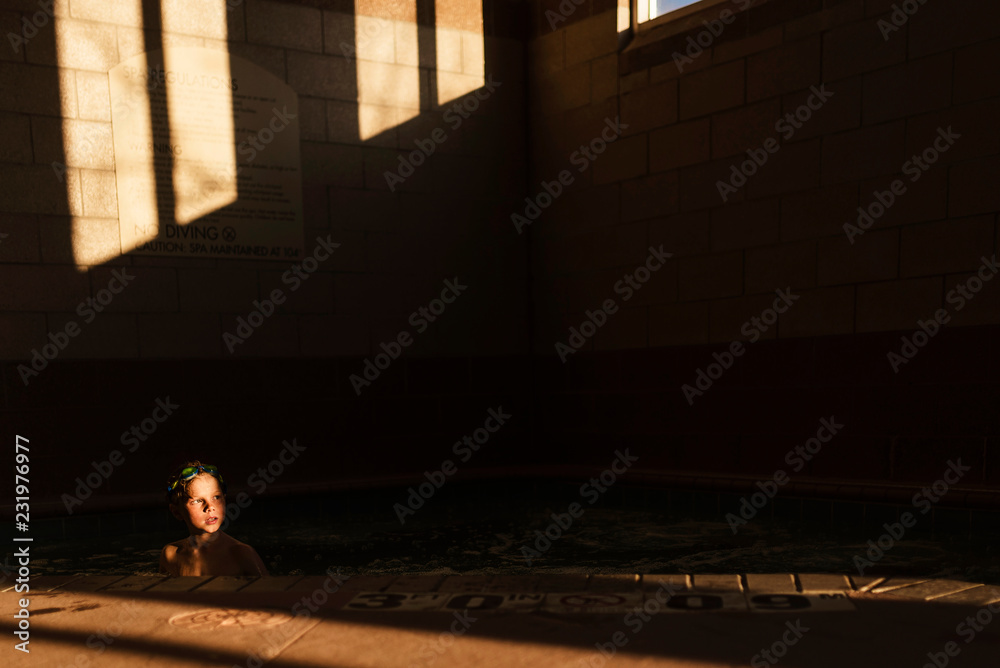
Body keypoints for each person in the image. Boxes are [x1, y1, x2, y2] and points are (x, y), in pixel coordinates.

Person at [159, 461, 269, 576]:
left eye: (216, 497)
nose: (210, 507)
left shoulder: (242, 554)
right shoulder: (171, 555)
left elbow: (270, 592)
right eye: (198, 501)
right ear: (176, 512)